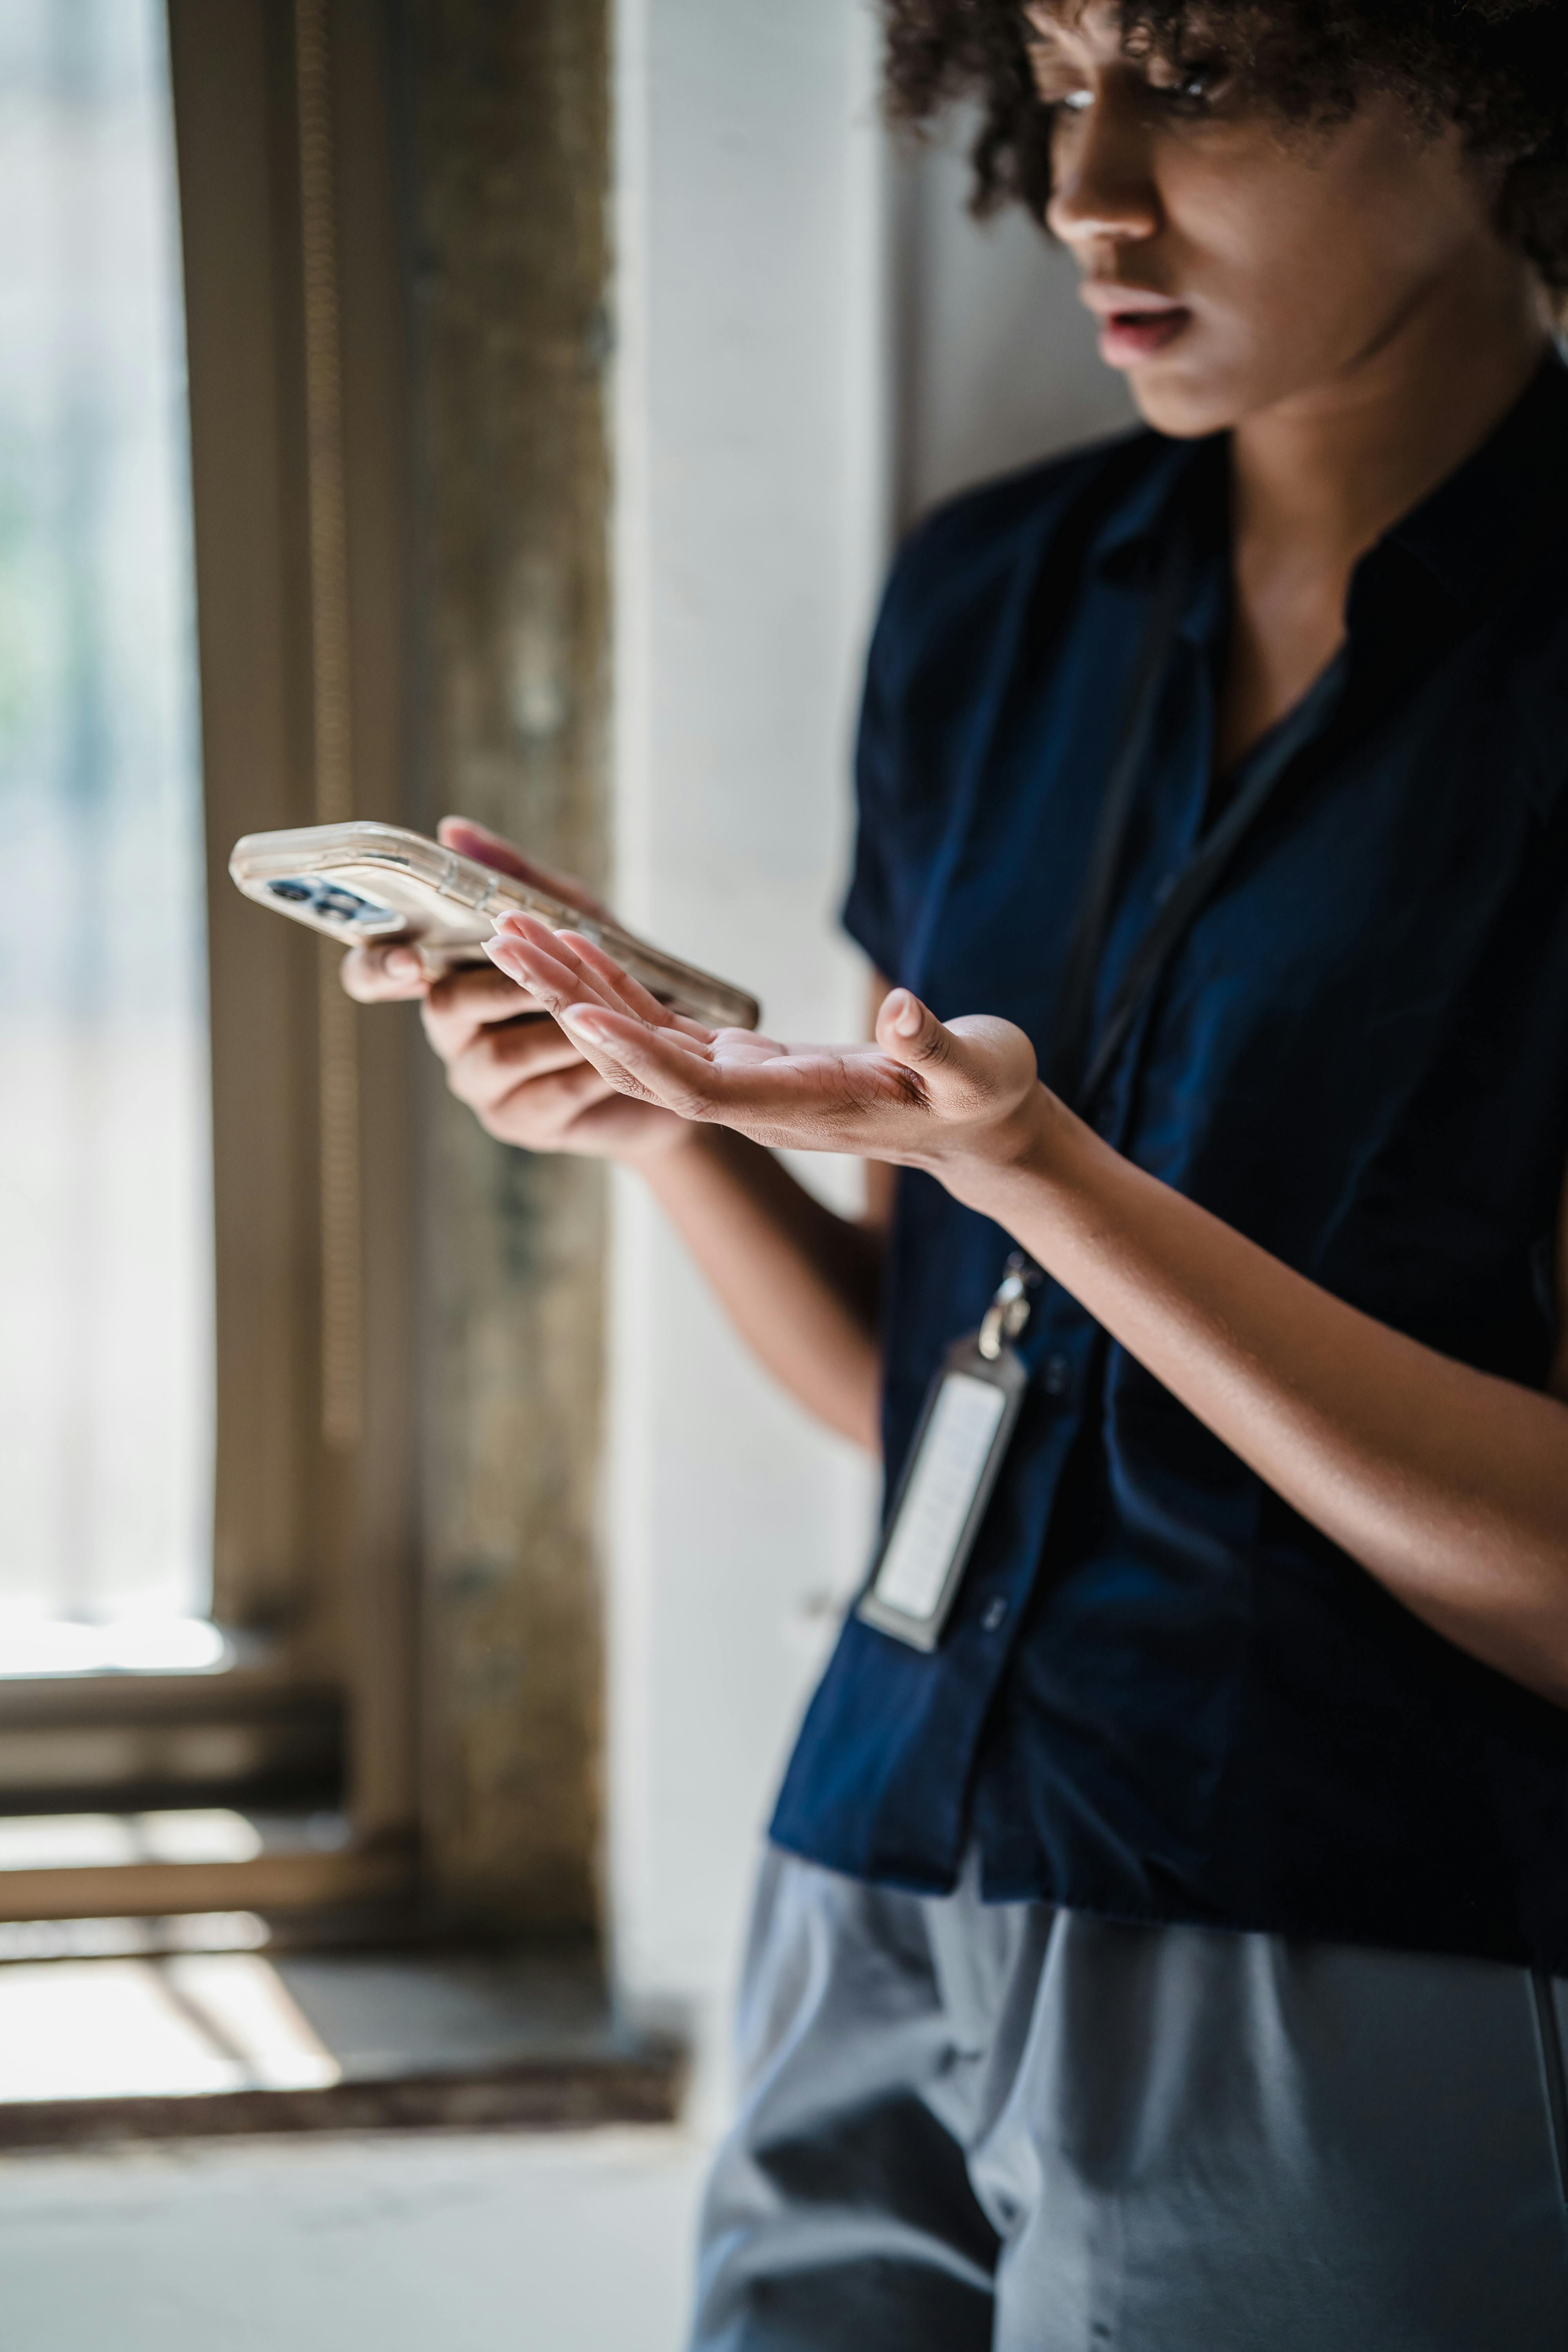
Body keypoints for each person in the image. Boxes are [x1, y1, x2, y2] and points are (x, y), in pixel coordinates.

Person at [346, 0, 1568, 2339]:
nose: (1083, 185)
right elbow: (904, 1381)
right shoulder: (990, 604)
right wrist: (669, 1101)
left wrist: (1055, 1184)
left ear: (1490, 69)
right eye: (1053, 67)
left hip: (1335, 1930)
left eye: (1196, 76)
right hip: (869, 1855)